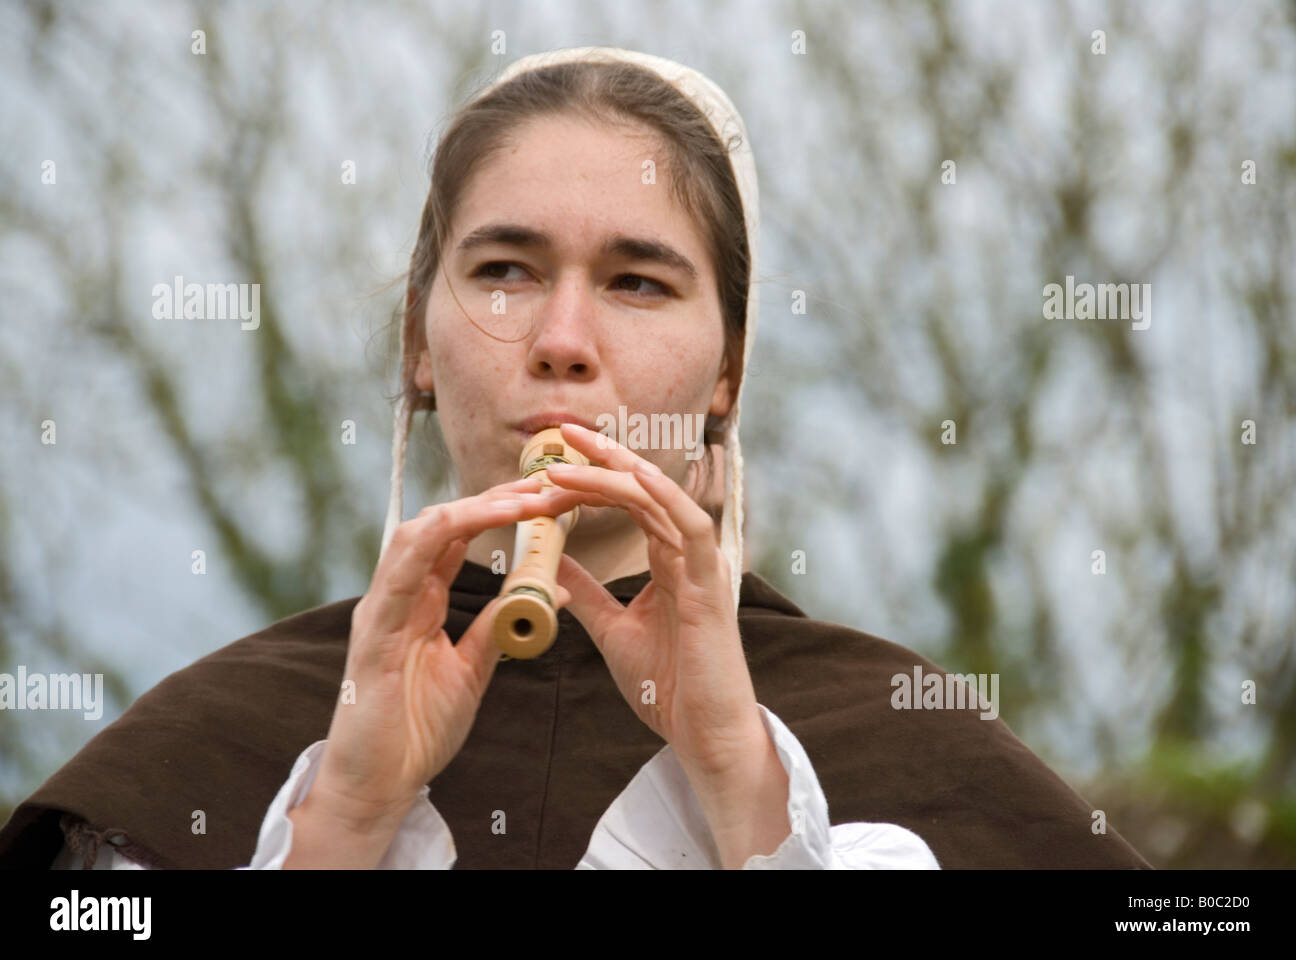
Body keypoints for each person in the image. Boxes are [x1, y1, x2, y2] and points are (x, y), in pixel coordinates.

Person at [0, 46, 1149, 871]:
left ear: (728, 377)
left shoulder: (906, 738)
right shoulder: (198, 749)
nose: (560, 344)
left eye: (636, 283)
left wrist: (744, 788)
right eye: (502, 270)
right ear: (419, 345)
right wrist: (342, 821)